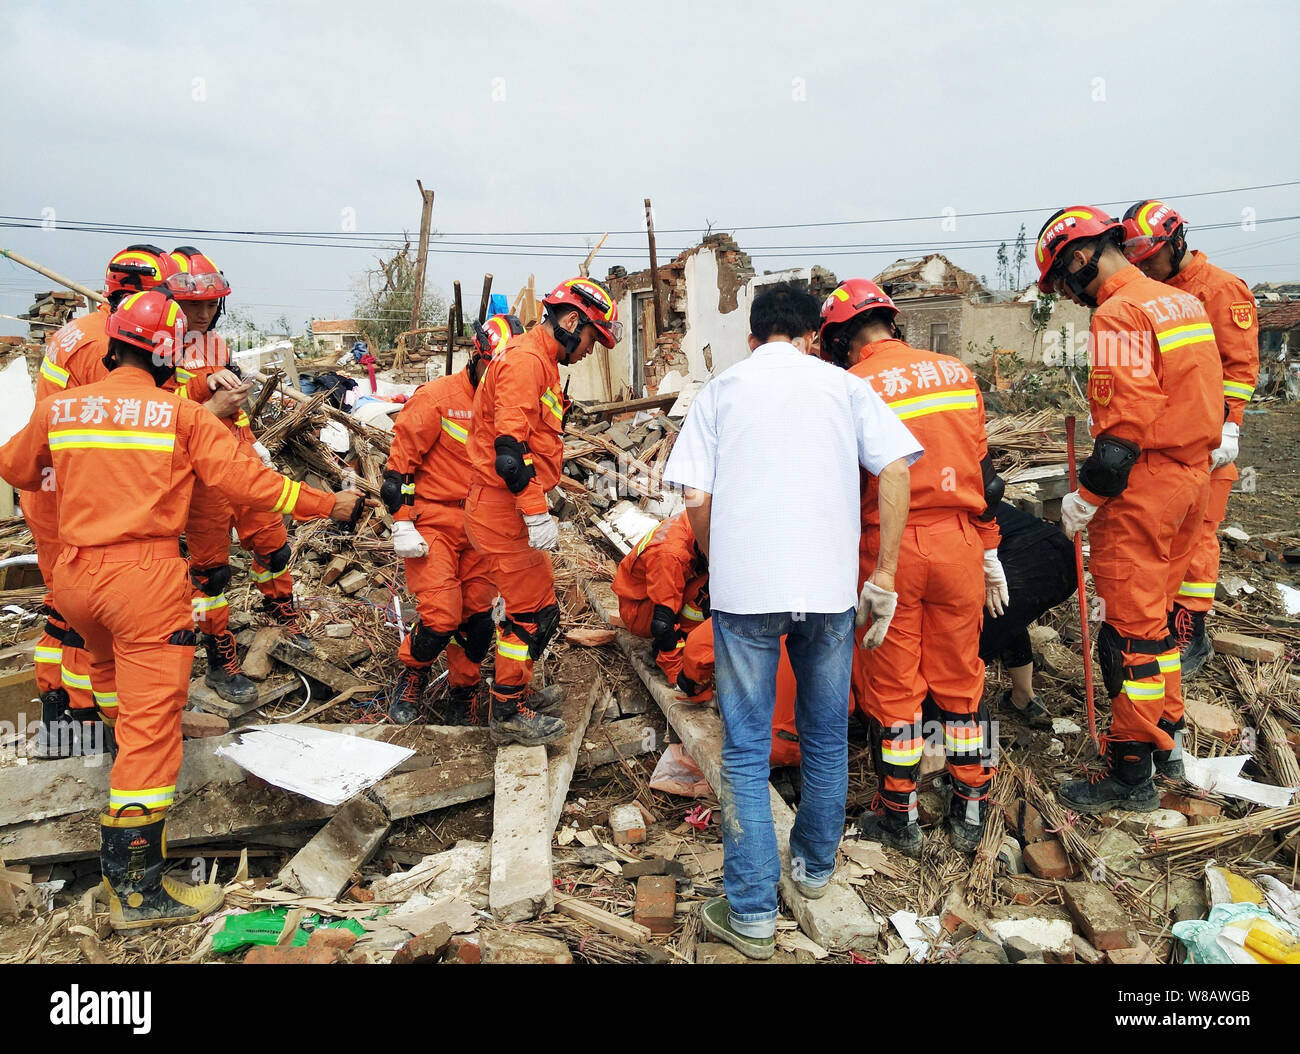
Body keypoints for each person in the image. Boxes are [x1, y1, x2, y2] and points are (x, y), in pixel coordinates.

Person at [0, 290, 363, 930]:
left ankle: (105, 780)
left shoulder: (62, 407)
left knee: (108, 684)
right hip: (144, 582)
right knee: (151, 730)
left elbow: (17, 468)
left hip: (77, 575)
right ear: (170, 357)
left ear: (113, 346)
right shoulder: (181, 417)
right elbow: (250, 486)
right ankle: (136, 889)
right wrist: (329, 504)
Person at [663, 281, 921, 960]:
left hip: (748, 595)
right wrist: (885, 573)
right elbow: (896, 468)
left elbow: (694, 495)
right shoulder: (845, 387)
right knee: (827, 734)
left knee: (746, 754)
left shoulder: (722, 390)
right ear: (813, 337)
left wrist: (723, 561)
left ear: (752, 339)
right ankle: (813, 870)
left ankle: (748, 913)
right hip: (829, 591)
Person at [1037, 206, 1221, 811]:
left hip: (1145, 486)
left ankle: (1130, 771)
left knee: (1131, 636)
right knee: (1161, 621)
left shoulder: (1119, 314)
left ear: (1080, 257)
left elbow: (1118, 442)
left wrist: (1085, 500)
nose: (1069, 294)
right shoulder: (1178, 301)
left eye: (1064, 282)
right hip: (1194, 477)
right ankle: (1167, 739)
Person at [820, 278, 1005, 856]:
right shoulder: (955, 372)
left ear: (841, 338)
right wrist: (991, 548)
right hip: (961, 543)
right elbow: (985, 473)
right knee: (961, 678)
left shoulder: (847, 385)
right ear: (891, 322)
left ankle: (899, 815)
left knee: (895, 687)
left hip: (888, 550)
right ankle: (971, 805)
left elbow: (839, 483)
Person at [25, 245, 179, 756]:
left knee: (63, 605)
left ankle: (61, 713)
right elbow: (121, 428)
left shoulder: (82, 330)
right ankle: (86, 720)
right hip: (71, 495)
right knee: (79, 616)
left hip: (53, 484)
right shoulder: (101, 348)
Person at [465, 277, 621, 746]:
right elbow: (510, 453)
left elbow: (533, 444)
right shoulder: (527, 362)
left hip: (512, 509)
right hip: (502, 512)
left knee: (543, 612)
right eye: (595, 337)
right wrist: (536, 512)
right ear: (573, 322)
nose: (593, 350)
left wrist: (539, 502)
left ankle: (517, 692)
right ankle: (507, 709)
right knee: (528, 614)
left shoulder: (543, 362)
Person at [166, 247, 314, 707]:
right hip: (199, 472)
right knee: (210, 573)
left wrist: (253, 442)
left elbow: (233, 409)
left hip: (237, 457)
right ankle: (220, 658)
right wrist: (204, 400)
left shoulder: (215, 344)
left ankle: (282, 615)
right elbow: (162, 415)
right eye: (194, 306)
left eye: (212, 305)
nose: (204, 314)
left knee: (273, 544)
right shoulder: (153, 347)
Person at [1121, 200, 1260, 681]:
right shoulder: (1153, 292)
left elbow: (1240, 369)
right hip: (1166, 439)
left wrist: (1230, 425)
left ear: (1177, 242)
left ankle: (1190, 628)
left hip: (1209, 440)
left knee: (1198, 535)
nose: (1143, 267)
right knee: (1163, 534)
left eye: (1150, 257)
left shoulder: (1221, 290)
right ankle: (1158, 618)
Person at [381, 314, 523, 725]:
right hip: (436, 523)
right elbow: (398, 469)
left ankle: (463, 691)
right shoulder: (438, 399)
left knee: (478, 622)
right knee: (441, 616)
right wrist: (402, 521)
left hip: (485, 527)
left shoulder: (512, 409)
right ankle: (413, 673)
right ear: (478, 358)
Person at [979, 501, 1078, 727]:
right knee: (1006, 616)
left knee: (964, 654)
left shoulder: (934, 512)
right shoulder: (972, 493)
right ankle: (1024, 698)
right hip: (1061, 555)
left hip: (1032, 563)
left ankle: (961, 740)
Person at [611, 510, 710, 687]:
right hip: (639, 610)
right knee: (705, 594)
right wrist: (679, 675)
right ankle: (677, 653)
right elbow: (662, 625)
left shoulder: (696, 517)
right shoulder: (671, 554)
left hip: (646, 594)